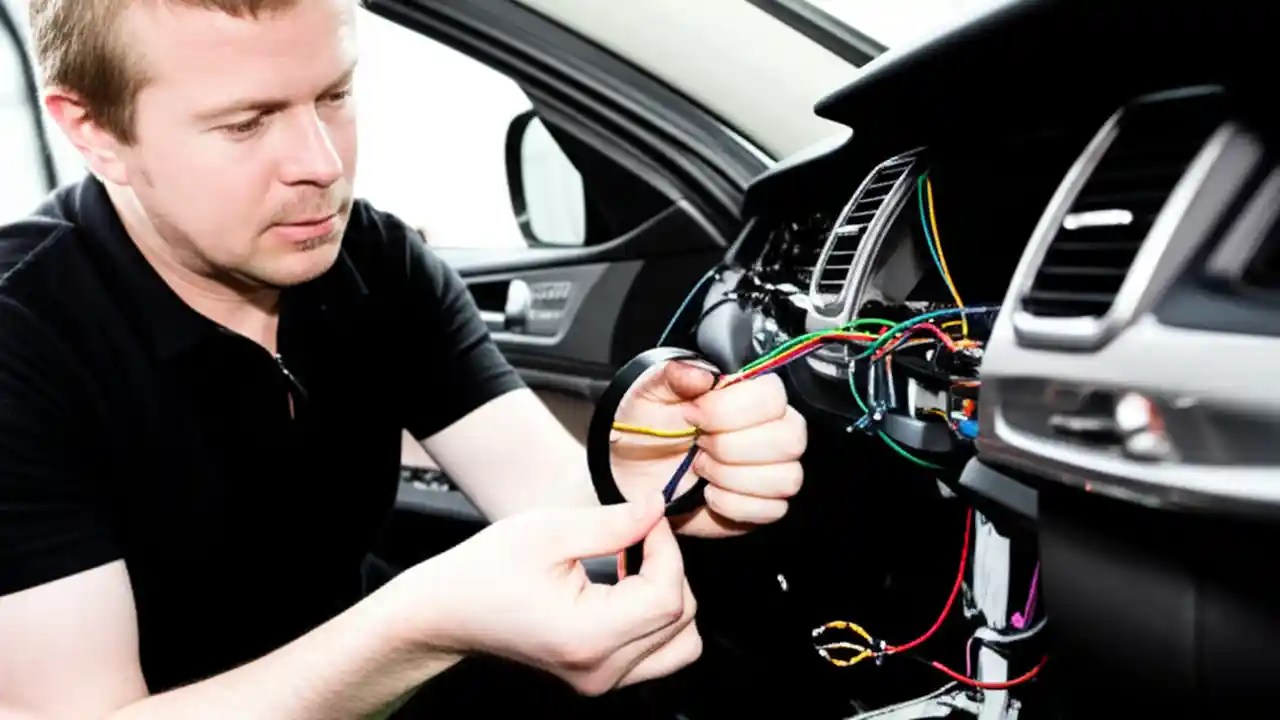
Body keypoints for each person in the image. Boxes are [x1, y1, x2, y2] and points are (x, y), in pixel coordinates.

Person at [0, 1, 809, 718]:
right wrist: (417, 625)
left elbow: (569, 513)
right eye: (245, 123)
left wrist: (661, 485)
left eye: (335, 95)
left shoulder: (371, 259)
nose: (321, 164)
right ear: (93, 131)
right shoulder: (20, 338)